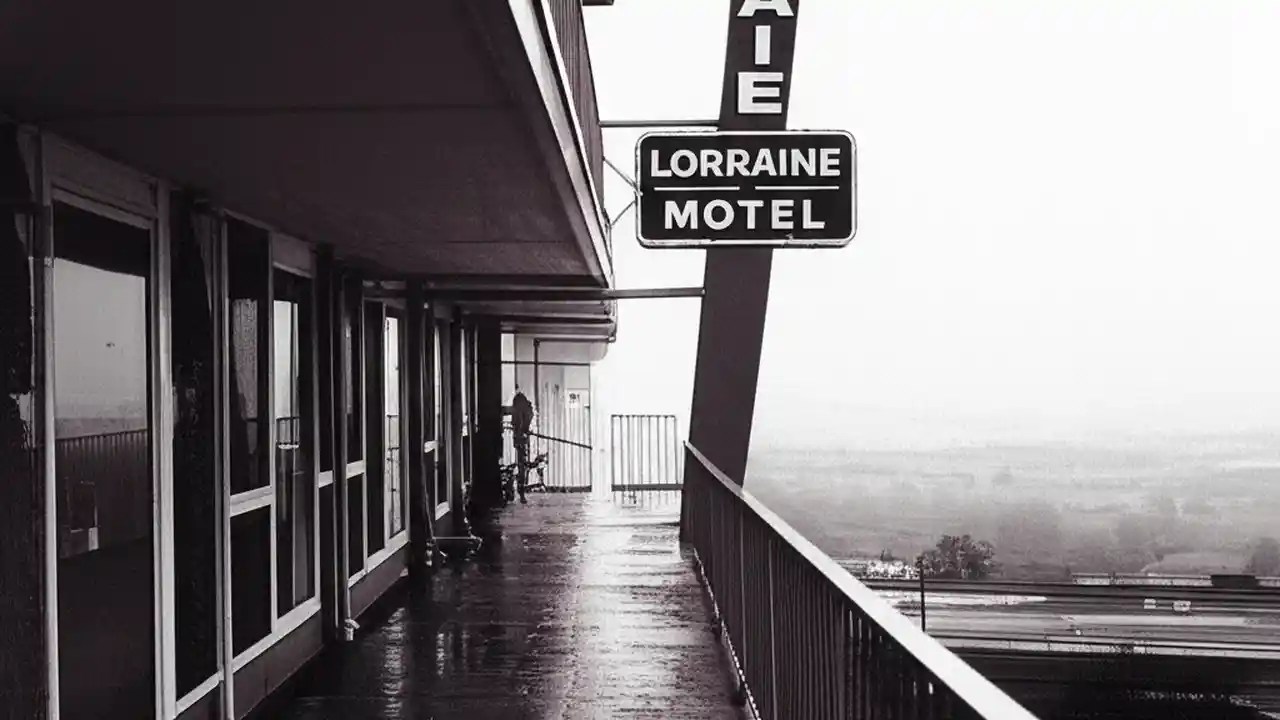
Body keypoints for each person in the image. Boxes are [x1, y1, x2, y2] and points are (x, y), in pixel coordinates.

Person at [510, 388, 534, 503]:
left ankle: (521, 491)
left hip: (520, 437)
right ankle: (521, 491)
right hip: (521, 437)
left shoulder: (519, 407)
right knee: (522, 465)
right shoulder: (524, 407)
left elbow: (517, 422)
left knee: (522, 465)